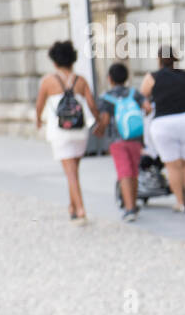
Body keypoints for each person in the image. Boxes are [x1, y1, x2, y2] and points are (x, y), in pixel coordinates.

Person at [34, 40, 96, 223]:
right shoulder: (81, 80)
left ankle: (81, 209)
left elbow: (39, 104)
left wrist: (38, 120)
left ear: (54, 61)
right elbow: (92, 105)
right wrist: (99, 121)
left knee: (70, 173)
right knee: (74, 170)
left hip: (60, 131)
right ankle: (72, 206)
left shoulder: (48, 81)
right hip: (79, 130)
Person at [139, 46, 185, 212]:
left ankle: (179, 202)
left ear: (159, 60)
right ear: (176, 58)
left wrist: (148, 108)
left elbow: (142, 98)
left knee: (173, 165)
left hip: (164, 123)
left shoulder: (152, 77)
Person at [95, 61, 149, 222]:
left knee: (124, 172)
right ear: (127, 78)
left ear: (109, 78)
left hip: (117, 139)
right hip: (135, 137)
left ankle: (129, 208)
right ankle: (133, 203)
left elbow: (104, 119)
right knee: (133, 171)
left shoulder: (106, 98)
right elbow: (148, 107)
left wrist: (99, 130)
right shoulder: (134, 93)